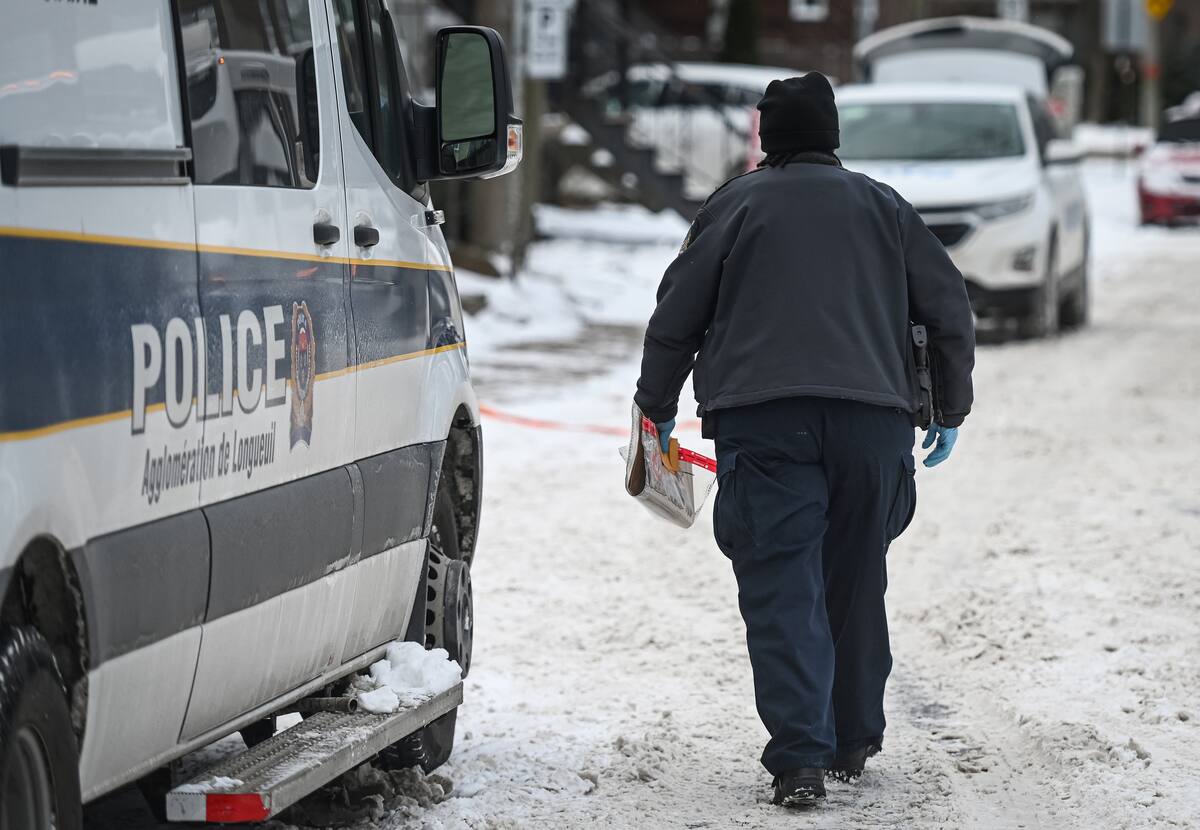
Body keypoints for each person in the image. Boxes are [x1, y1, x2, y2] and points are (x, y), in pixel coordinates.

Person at [634, 72, 975, 809]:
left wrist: (653, 406)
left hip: (764, 421)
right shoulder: (884, 207)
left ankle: (799, 759)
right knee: (856, 574)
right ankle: (853, 737)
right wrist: (948, 408)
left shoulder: (734, 206)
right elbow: (949, 307)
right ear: (832, 134)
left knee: (783, 581)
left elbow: (676, 313)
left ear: (767, 136)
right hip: (873, 423)